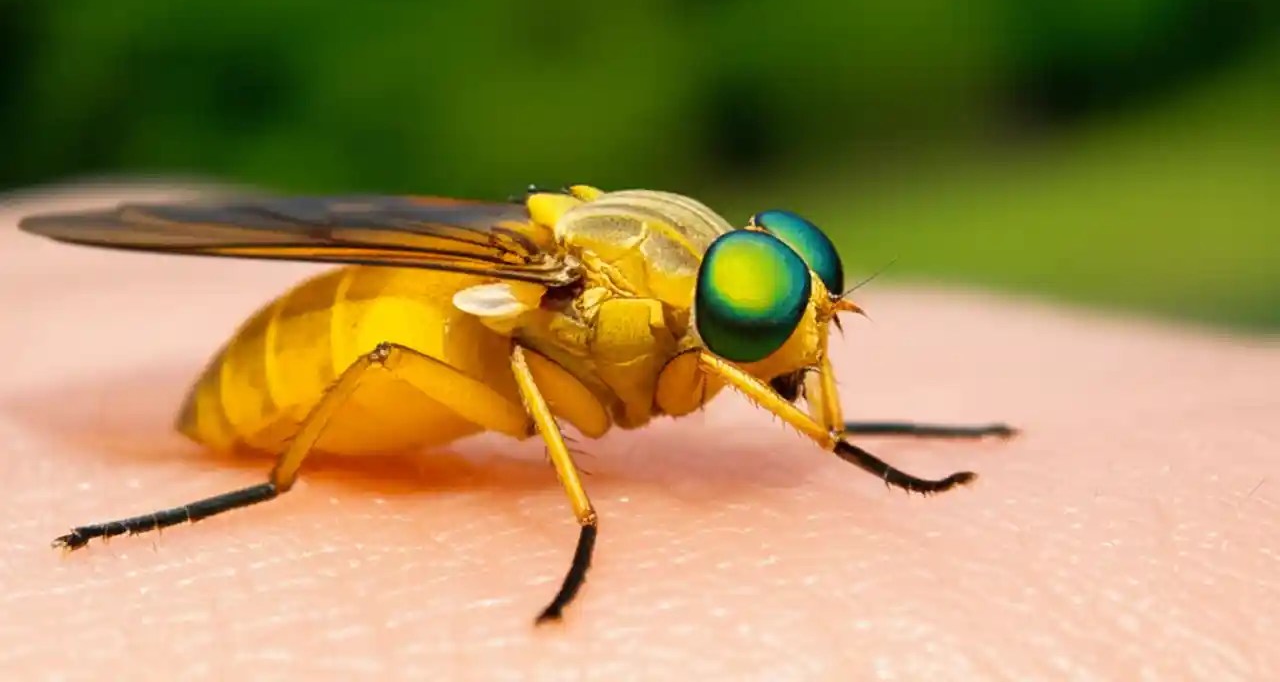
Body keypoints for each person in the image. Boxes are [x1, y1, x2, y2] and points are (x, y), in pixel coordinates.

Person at [2, 183, 1275, 680]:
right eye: (783, 299)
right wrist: (587, 522)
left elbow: (783, 335)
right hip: (335, 353)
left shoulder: (713, 300)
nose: (811, 319)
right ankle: (266, 487)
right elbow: (517, 375)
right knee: (396, 344)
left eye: (796, 285)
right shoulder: (615, 294)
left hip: (469, 318)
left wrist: (844, 431)